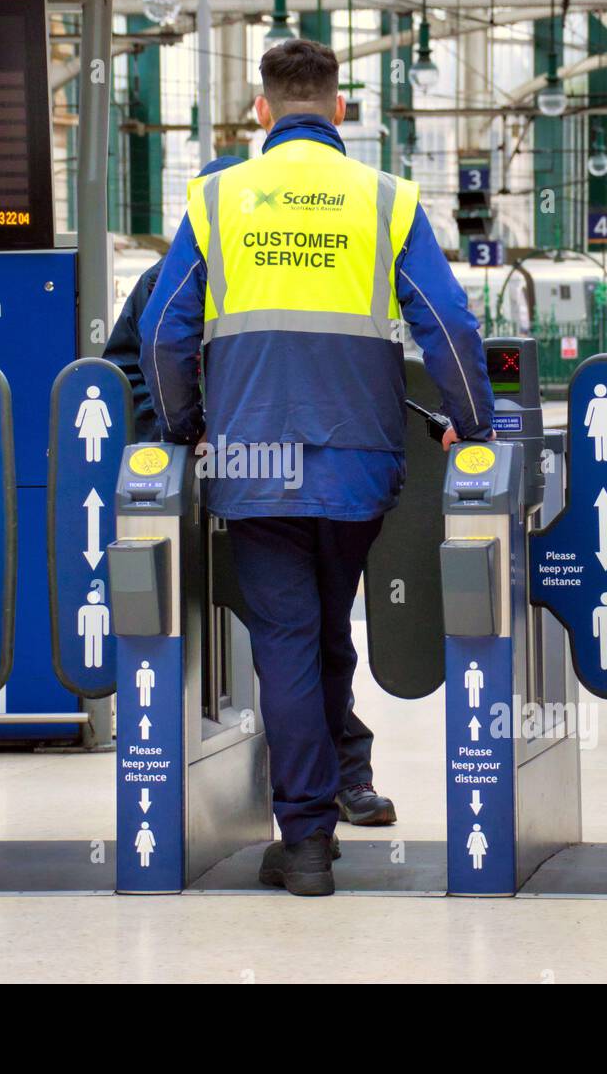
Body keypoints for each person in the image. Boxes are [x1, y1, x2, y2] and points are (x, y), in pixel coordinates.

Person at [138, 38, 492, 896]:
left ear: (261, 110)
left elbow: (160, 334)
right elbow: (448, 324)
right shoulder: (385, 199)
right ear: (339, 109)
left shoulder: (218, 198)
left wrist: (185, 426)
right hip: (359, 464)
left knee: (287, 641)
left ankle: (305, 842)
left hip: (251, 462)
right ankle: (335, 787)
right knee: (331, 629)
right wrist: (472, 423)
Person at [106, 154, 398, 830]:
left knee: (314, 637)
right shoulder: (165, 279)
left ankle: (334, 784)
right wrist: (179, 433)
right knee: (296, 638)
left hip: (274, 477)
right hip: (211, 484)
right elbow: (130, 363)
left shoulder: (289, 272)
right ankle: (316, 792)